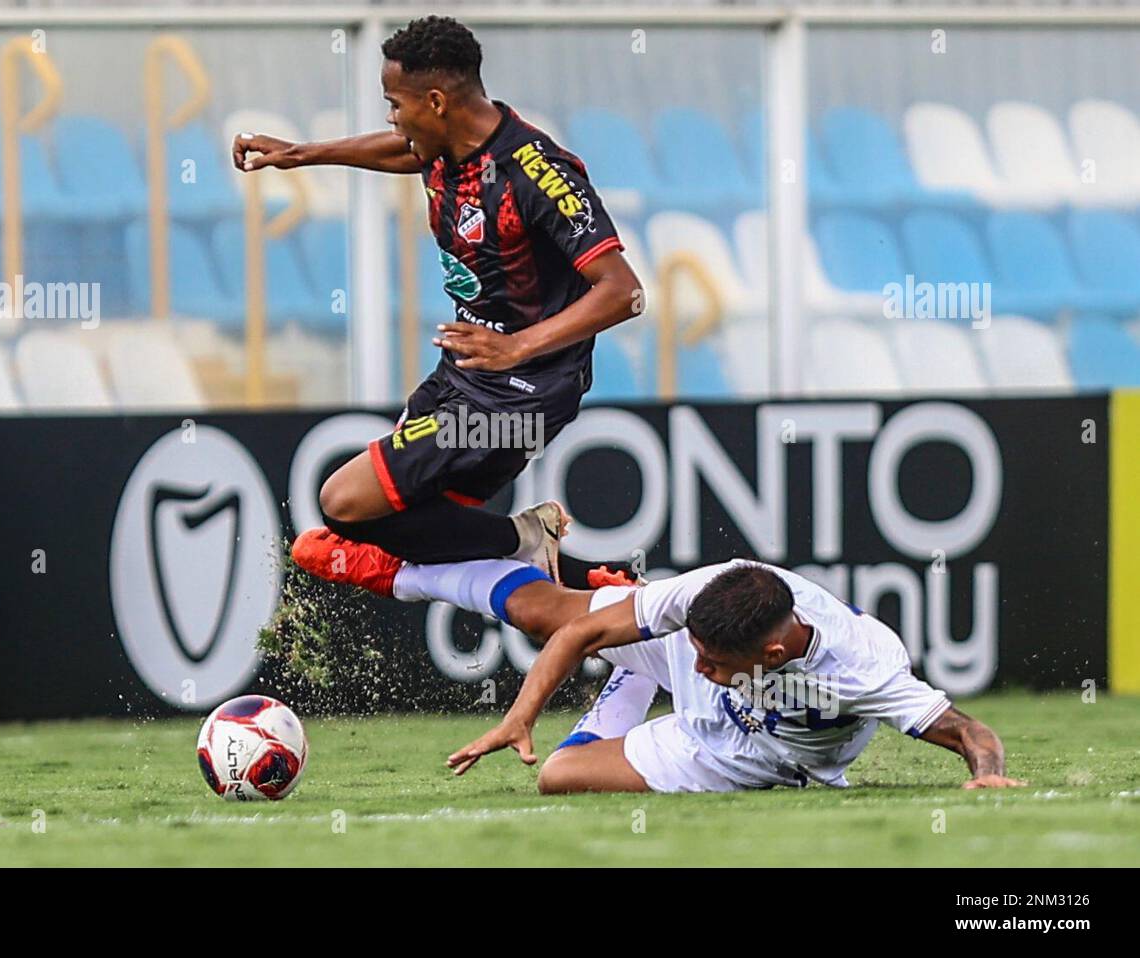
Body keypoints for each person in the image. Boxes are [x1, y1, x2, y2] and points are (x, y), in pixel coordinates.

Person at [233, 15, 642, 583]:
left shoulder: (537, 173)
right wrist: (301, 154)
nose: (390, 116)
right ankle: (579, 581)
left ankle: (528, 543)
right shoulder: (443, 145)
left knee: (345, 502)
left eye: (395, 104)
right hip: (463, 376)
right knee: (392, 521)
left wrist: (516, 346)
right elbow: (406, 152)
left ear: (435, 101)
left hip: (522, 396)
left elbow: (623, 292)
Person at [336, 550, 1027, 794]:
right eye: (692, 649)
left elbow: (971, 732)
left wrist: (986, 775)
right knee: (548, 613)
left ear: (772, 655)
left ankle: (630, 679)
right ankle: (404, 574)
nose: (695, 666)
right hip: (716, 667)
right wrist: (518, 717)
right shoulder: (713, 595)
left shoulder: (861, 671)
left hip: (759, 755)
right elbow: (578, 632)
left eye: (712, 662)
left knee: (558, 778)